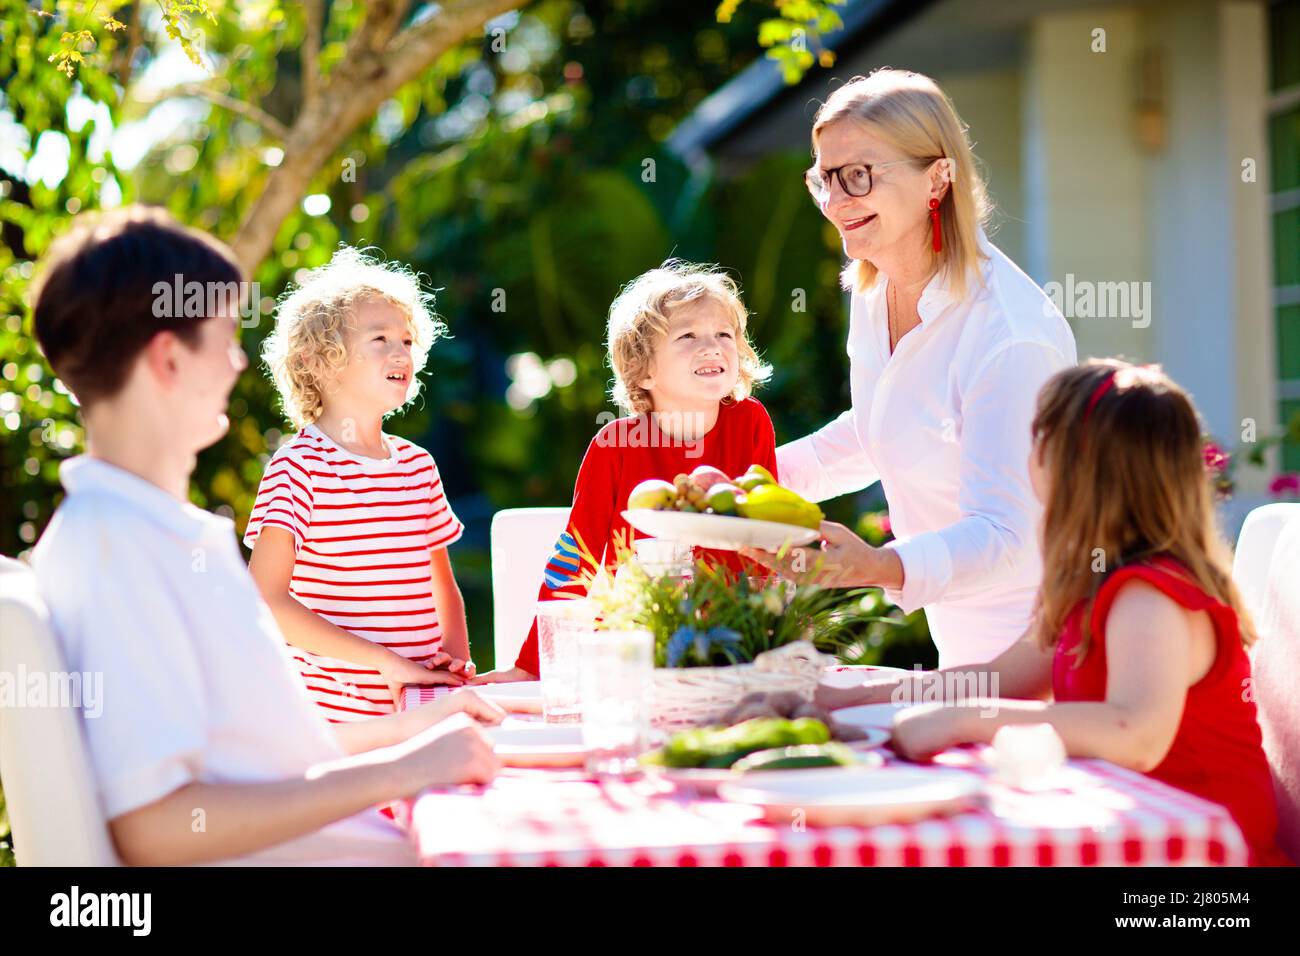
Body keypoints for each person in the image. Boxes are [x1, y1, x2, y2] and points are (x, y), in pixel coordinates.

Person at [30, 206, 501, 866]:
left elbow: (269, 756)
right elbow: (155, 828)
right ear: (168, 358)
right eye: (223, 340)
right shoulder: (117, 552)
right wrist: (401, 770)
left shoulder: (154, 536)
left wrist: (414, 731)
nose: (235, 363)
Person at [822, 360, 1287, 866]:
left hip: (1203, 859)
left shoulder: (1151, 596)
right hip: (1127, 837)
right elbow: (998, 680)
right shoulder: (1092, 581)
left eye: (1039, 437)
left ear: (1077, 466)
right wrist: (854, 694)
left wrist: (964, 720)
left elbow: (1135, 735)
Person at [745, 68, 1077, 668]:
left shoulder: (1010, 337)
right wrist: (743, 480)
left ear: (938, 178)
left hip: (1043, 654)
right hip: (963, 650)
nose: (837, 200)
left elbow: (1010, 537)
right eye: (825, 179)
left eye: (859, 176)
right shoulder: (875, 293)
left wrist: (876, 565)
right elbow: (878, 429)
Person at [474, 261, 778, 682]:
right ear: (644, 369)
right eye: (688, 336)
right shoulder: (613, 446)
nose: (712, 347)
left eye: (724, 334)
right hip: (636, 648)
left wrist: (773, 636)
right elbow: (574, 556)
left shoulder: (751, 422)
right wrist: (532, 666)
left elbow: (763, 534)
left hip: (733, 647)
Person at [245, 248, 472, 721]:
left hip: (416, 710)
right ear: (318, 360)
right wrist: (385, 663)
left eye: (407, 341)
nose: (400, 353)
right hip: (332, 725)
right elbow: (266, 599)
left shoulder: (418, 465)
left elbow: (442, 585)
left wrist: (453, 668)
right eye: (380, 339)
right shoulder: (298, 467)